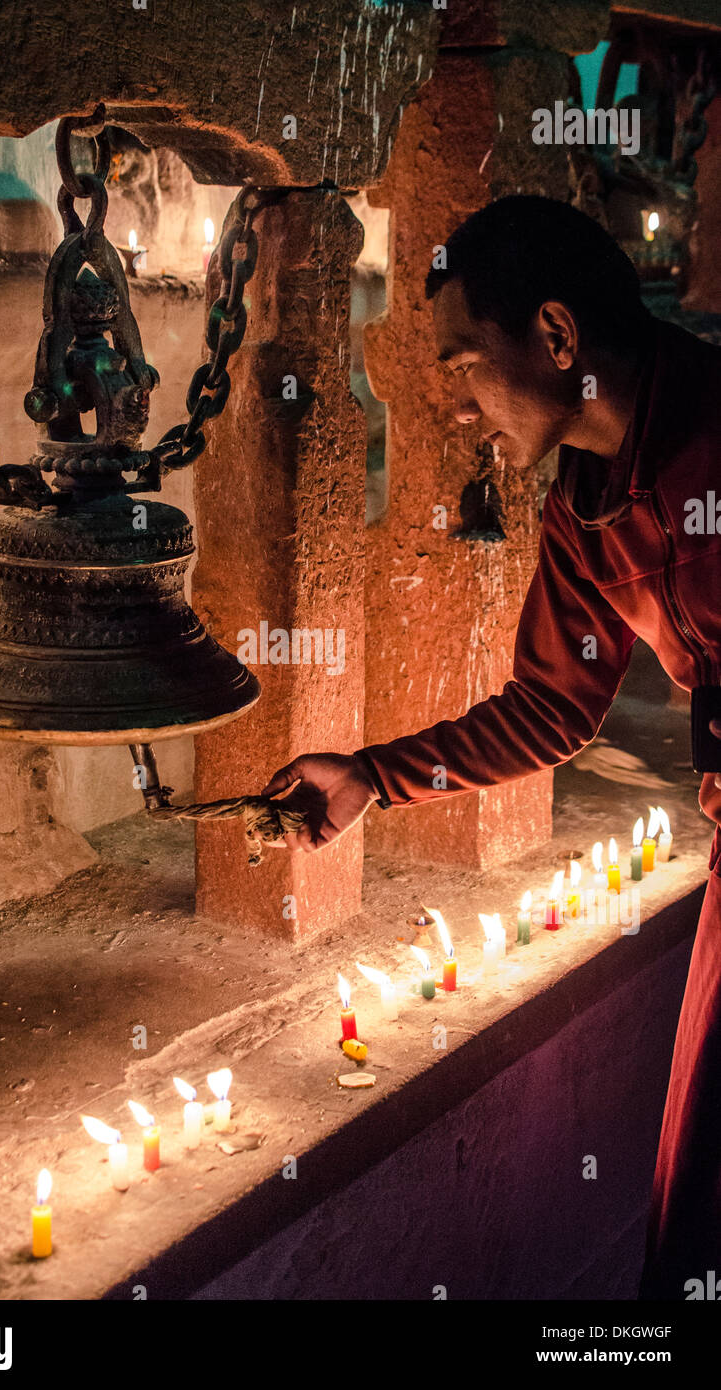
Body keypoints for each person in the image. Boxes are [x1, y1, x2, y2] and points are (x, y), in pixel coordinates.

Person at [260, 195, 721, 1300]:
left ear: (556, 337)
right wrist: (372, 774)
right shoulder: (581, 511)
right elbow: (552, 708)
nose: (459, 408)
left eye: (465, 364)